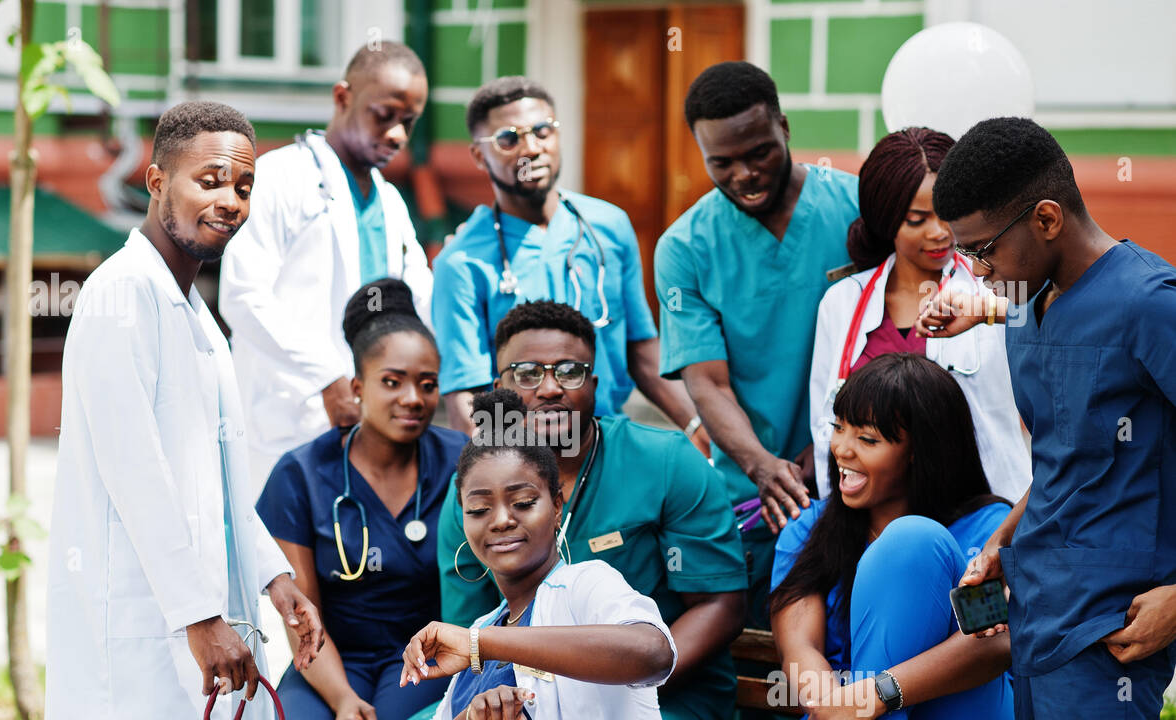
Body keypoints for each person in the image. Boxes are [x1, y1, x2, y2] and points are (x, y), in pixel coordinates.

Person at [42, 102, 325, 720]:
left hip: (162, 652)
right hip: (152, 648)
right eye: (209, 179)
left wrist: (275, 578)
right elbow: (136, 473)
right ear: (156, 179)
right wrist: (200, 616)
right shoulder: (123, 295)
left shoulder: (191, 310)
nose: (228, 199)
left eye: (243, 183)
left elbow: (221, 481)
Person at [362, 300, 748, 720]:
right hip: (520, 697)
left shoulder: (663, 461)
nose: (548, 388)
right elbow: (468, 628)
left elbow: (721, 604)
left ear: (595, 381)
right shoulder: (472, 490)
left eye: (569, 371)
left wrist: (620, 682)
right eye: (526, 373)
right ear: (497, 385)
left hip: (663, 698)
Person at [917, 117, 1176, 720]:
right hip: (1036, 622)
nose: (974, 268)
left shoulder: (1151, 302)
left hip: (1107, 635)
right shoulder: (1029, 303)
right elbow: (1069, 455)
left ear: (1048, 217)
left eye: (982, 249)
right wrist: (1005, 537)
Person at [704, 354, 1022, 720]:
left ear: (922, 452)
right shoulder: (811, 530)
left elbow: (990, 646)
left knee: (910, 543)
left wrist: (870, 703)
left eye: (868, 439)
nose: (842, 450)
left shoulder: (987, 529)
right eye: (839, 428)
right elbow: (798, 648)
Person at [252, 279, 465, 720]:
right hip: (328, 657)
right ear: (356, 387)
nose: (413, 399)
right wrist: (343, 698)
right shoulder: (302, 474)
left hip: (422, 659)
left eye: (427, 385)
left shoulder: (462, 465)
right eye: (392, 382)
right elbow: (301, 617)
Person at [655, 61, 860, 627]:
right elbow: (707, 381)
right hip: (754, 497)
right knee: (758, 655)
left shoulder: (857, 208)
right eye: (721, 162)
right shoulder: (684, 249)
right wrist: (763, 467)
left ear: (784, 129)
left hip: (861, 475)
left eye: (759, 152)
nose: (744, 174)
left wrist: (831, 448)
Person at [433, 76, 704, 444]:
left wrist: (697, 427)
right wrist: (525, 478)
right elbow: (468, 399)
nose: (531, 148)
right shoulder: (461, 262)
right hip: (526, 455)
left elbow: (640, 349)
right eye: (509, 139)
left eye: (543, 131)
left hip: (612, 443)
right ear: (480, 156)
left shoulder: (608, 226)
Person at [219, 41, 434, 492]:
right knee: (283, 553)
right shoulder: (278, 178)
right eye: (384, 115)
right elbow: (242, 298)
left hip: (375, 419)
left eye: (408, 122)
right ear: (342, 97)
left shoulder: (391, 202)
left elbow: (418, 303)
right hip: (293, 413)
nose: (397, 134)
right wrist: (329, 378)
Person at [809, 127, 1030, 503]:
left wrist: (988, 311)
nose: (939, 233)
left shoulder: (995, 285)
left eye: (947, 214)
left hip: (982, 518)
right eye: (917, 219)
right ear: (886, 218)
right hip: (872, 526)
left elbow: (1062, 311)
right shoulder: (842, 302)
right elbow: (824, 425)